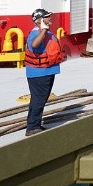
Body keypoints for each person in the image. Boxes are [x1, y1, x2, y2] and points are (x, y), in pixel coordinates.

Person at [23, 8, 66, 136]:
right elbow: (34, 45)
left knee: (40, 99)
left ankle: (35, 124)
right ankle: (32, 127)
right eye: (47, 17)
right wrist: (43, 31)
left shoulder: (45, 32)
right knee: (38, 99)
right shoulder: (37, 33)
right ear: (39, 21)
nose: (50, 18)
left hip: (46, 71)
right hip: (39, 73)